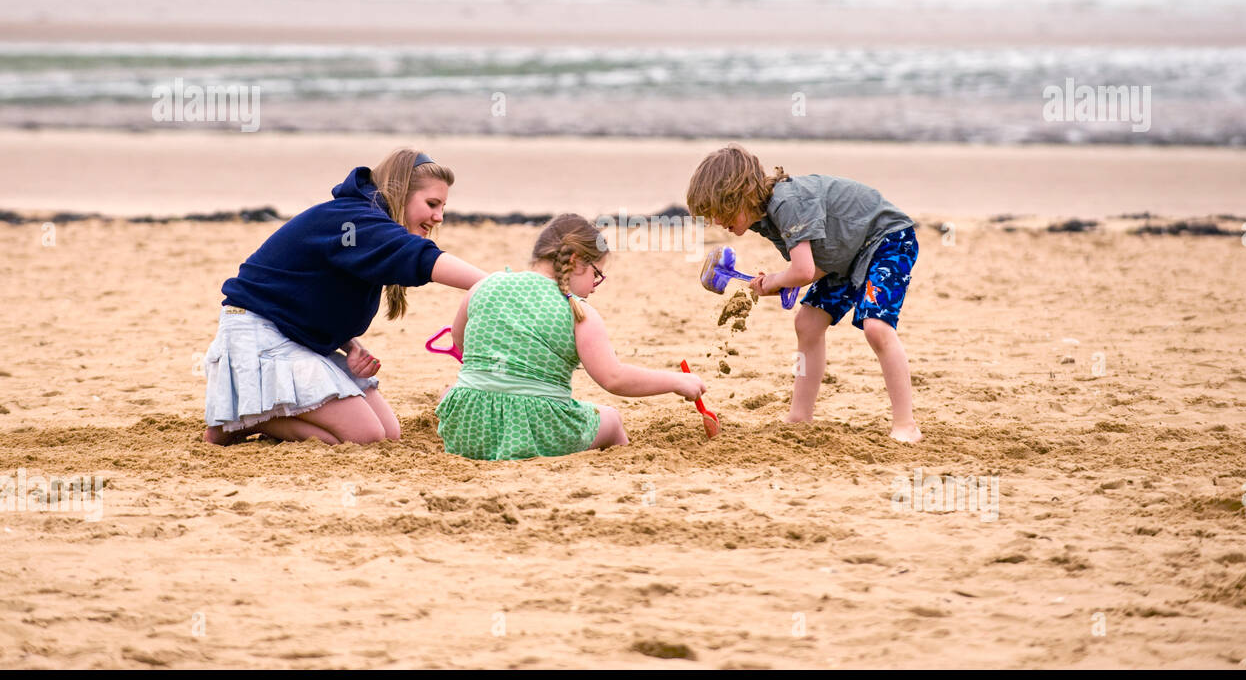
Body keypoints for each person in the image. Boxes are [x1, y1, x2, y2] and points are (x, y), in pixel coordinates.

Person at [204, 148, 486, 445]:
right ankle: (245, 421)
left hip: (293, 337)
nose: (439, 217)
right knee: (365, 436)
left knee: (388, 433)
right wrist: (493, 283)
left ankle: (260, 415)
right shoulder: (353, 220)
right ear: (401, 193)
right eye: (432, 204)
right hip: (255, 335)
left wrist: (348, 345)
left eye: (443, 208)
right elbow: (418, 258)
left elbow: (302, 295)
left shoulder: (364, 224)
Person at [685, 143, 921, 442]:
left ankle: (905, 424)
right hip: (842, 256)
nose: (717, 222)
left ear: (740, 192)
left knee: (876, 327)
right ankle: (800, 417)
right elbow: (812, 265)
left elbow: (804, 272)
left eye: (720, 211)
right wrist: (779, 283)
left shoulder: (786, 204)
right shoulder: (762, 221)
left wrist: (775, 280)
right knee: (807, 323)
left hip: (884, 239)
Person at [435, 214, 706, 460]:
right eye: (596, 275)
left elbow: (459, 342)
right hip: (536, 430)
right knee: (611, 419)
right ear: (575, 262)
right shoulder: (578, 312)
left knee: (451, 391)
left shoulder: (484, 285)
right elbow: (614, 378)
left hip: (467, 428)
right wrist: (676, 381)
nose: (595, 287)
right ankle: (623, 461)